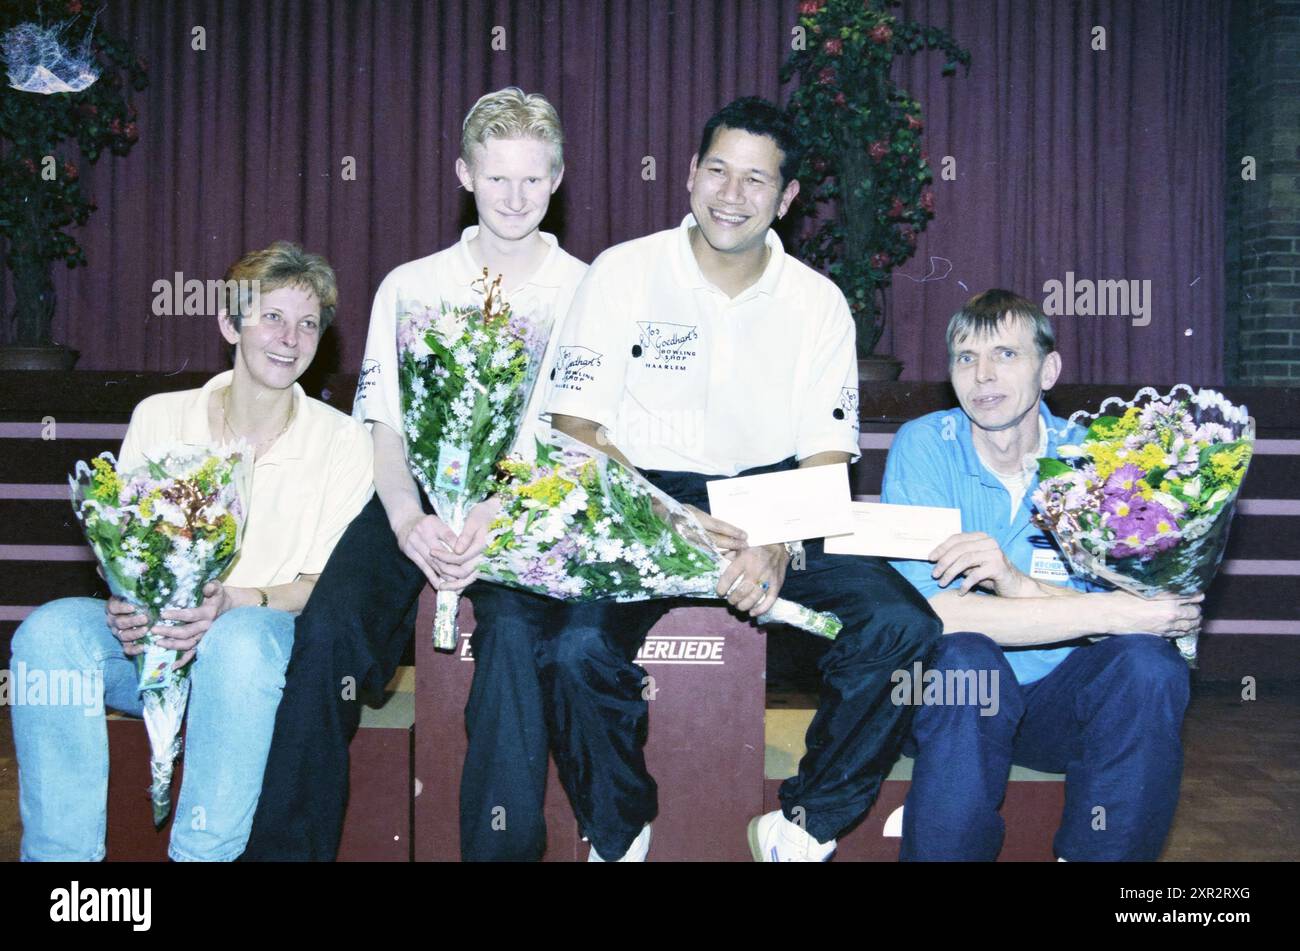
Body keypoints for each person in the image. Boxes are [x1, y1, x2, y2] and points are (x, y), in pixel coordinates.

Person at [530, 96, 942, 862]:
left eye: (756, 180)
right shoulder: (623, 272)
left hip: (777, 496)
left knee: (904, 626)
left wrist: (778, 541)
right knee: (573, 649)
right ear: (689, 174)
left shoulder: (818, 304)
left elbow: (825, 458)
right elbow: (577, 429)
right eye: (717, 170)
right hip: (640, 492)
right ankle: (619, 829)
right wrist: (665, 515)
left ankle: (806, 823)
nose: (731, 193)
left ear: (786, 199)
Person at [240, 87, 587, 861]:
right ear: (464, 174)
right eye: (497, 177)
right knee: (327, 627)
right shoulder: (411, 284)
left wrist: (501, 510)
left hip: (530, 503)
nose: (515, 197)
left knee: (511, 642)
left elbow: (576, 435)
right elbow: (385, 427)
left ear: (559, 180)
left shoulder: (587, 290)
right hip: (416, 492)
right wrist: (404, 520)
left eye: (533, 179)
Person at [11, 241, 373, 861]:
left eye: (308, 323)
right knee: (46, 635)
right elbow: (122, 545)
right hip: (155, 648)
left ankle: (203, 856)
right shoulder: (160, 415)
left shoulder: (343, 442)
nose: (291, 338)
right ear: (230, 322)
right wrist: (127, 604)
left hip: (260, 653)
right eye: (272, 317)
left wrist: (235, 600)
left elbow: (321, 588)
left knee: (237, 641)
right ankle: (60, 867)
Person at [880, 289, 1201, 861]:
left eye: (1005, 354)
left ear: (1048, 368)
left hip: (1059, 707)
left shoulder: (1099, 462)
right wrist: (1116, 612)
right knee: (966, 658)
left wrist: (1017, 582)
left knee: (1150, 666)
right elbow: (938, 615)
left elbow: (1148, 615)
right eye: (965, 358)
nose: (983, 375)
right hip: (950, 707)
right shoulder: (925, 446)